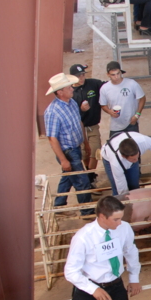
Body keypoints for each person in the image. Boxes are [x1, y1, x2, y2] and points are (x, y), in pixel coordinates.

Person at [45, 72, 93, 215]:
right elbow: (52, 138)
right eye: (69, 87)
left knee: (68, 177)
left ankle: (59, 205)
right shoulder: (52, 112)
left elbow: (79, 122)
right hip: (68, 150)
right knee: (81, 180)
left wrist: (85, 143)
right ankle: (87, 211)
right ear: (60, 92)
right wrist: (63, 159)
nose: (72, 88)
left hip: (75, 147)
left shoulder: (71, 102)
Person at [70, 64, 103, 183]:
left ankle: (90, 176)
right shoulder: (70, 91)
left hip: (92, 125)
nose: (81, 77)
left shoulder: (93, 83)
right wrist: (81, 110)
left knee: (95, 149)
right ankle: (89, 176)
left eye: (83, 74)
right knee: (84, 153)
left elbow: (106, 86)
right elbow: (70, 113)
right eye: (78, 76)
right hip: (78, 127)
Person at [99, 60, 146, 136]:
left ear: (121, 72)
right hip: (115, 125)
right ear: (108, 75)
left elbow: (142, 98)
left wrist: (137, 115)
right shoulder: (104, 88)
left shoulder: (131, 83)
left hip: (131, 122)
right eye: (113, 75)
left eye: (118, 73)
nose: (116, 77)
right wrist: (109, 111)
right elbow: (103, 105)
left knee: (133, 147)